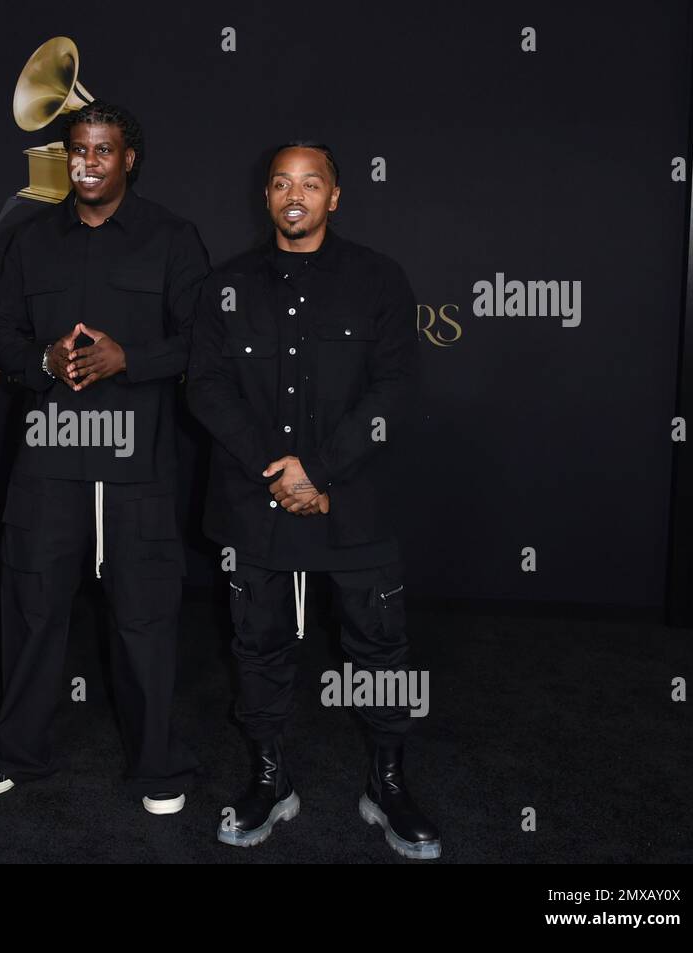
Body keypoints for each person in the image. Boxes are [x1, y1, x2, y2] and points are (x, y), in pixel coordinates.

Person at [186, 142, 441, 858]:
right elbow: (206, 386)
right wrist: (281, 470)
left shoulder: (379, 279)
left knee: (381, 648)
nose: (293, 195)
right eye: (279, 183)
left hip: (355, 500)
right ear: (265, 196)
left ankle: (388, 782)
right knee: (257, 644)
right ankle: (270, 778)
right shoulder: (224, 286)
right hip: (253, 500)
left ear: (335, 196)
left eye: (310, 183)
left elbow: (395, 388)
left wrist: (320, 471)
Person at [0, 101, 208, 815]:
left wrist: (130, 357)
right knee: (33, 609)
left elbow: (205, 341)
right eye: (78, 149)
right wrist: (41, 359)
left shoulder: (172, 238)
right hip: (46, 465)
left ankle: (157, 760)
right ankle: (18, 748)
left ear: (128, 157)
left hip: (138, 465)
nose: (89, 162)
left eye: (104, 150)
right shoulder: (29, 240)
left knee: (145, 615)